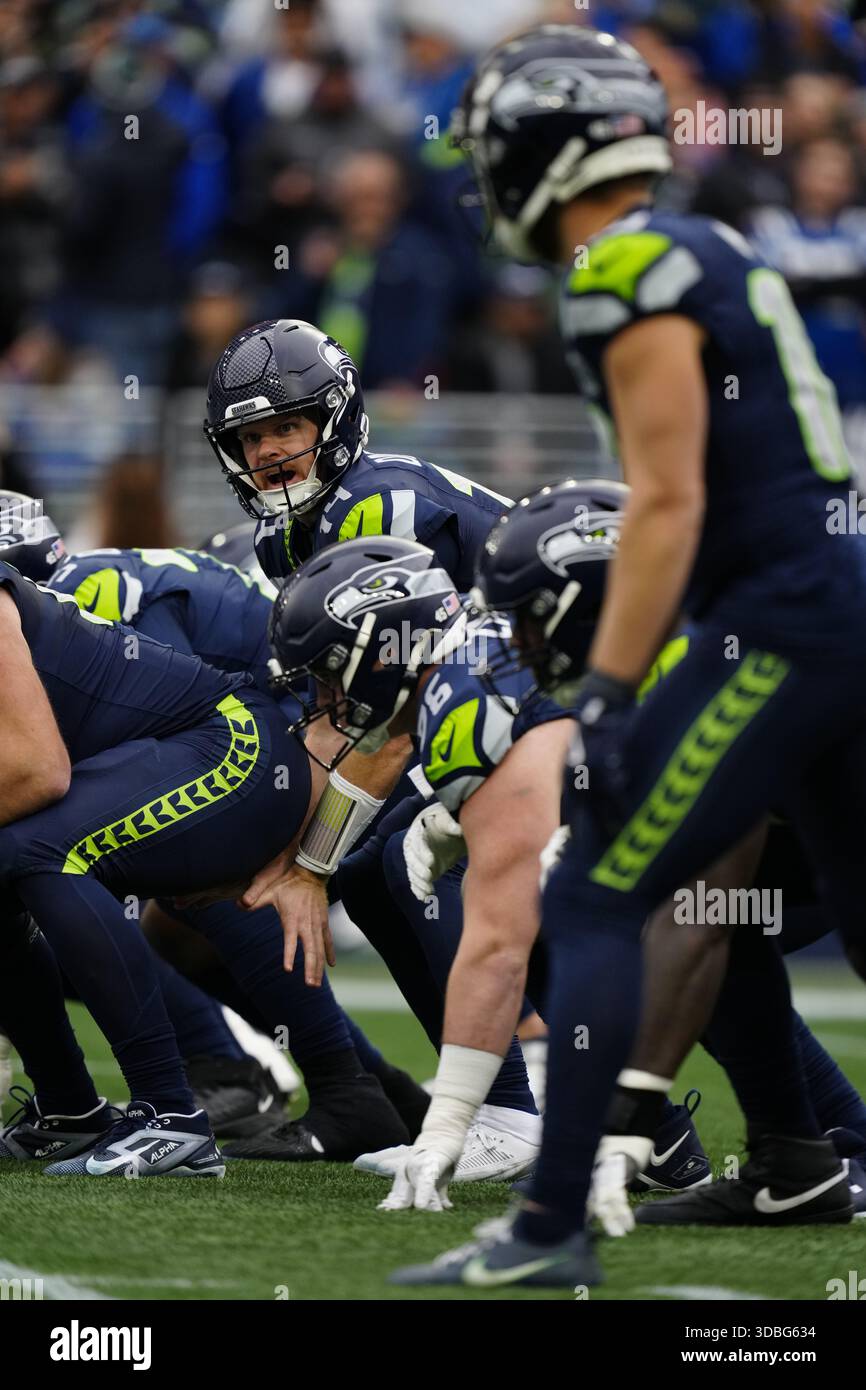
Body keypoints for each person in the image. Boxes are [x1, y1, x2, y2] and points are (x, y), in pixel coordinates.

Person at [386, 21, 866, 1288]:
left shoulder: (622, 267)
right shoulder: (703, 243)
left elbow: (666, 500)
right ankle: (767, 1158)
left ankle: (549, 1232)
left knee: (598, 888)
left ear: (544, 147)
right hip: (826, 601)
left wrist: (606, 688)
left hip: (782, 616)